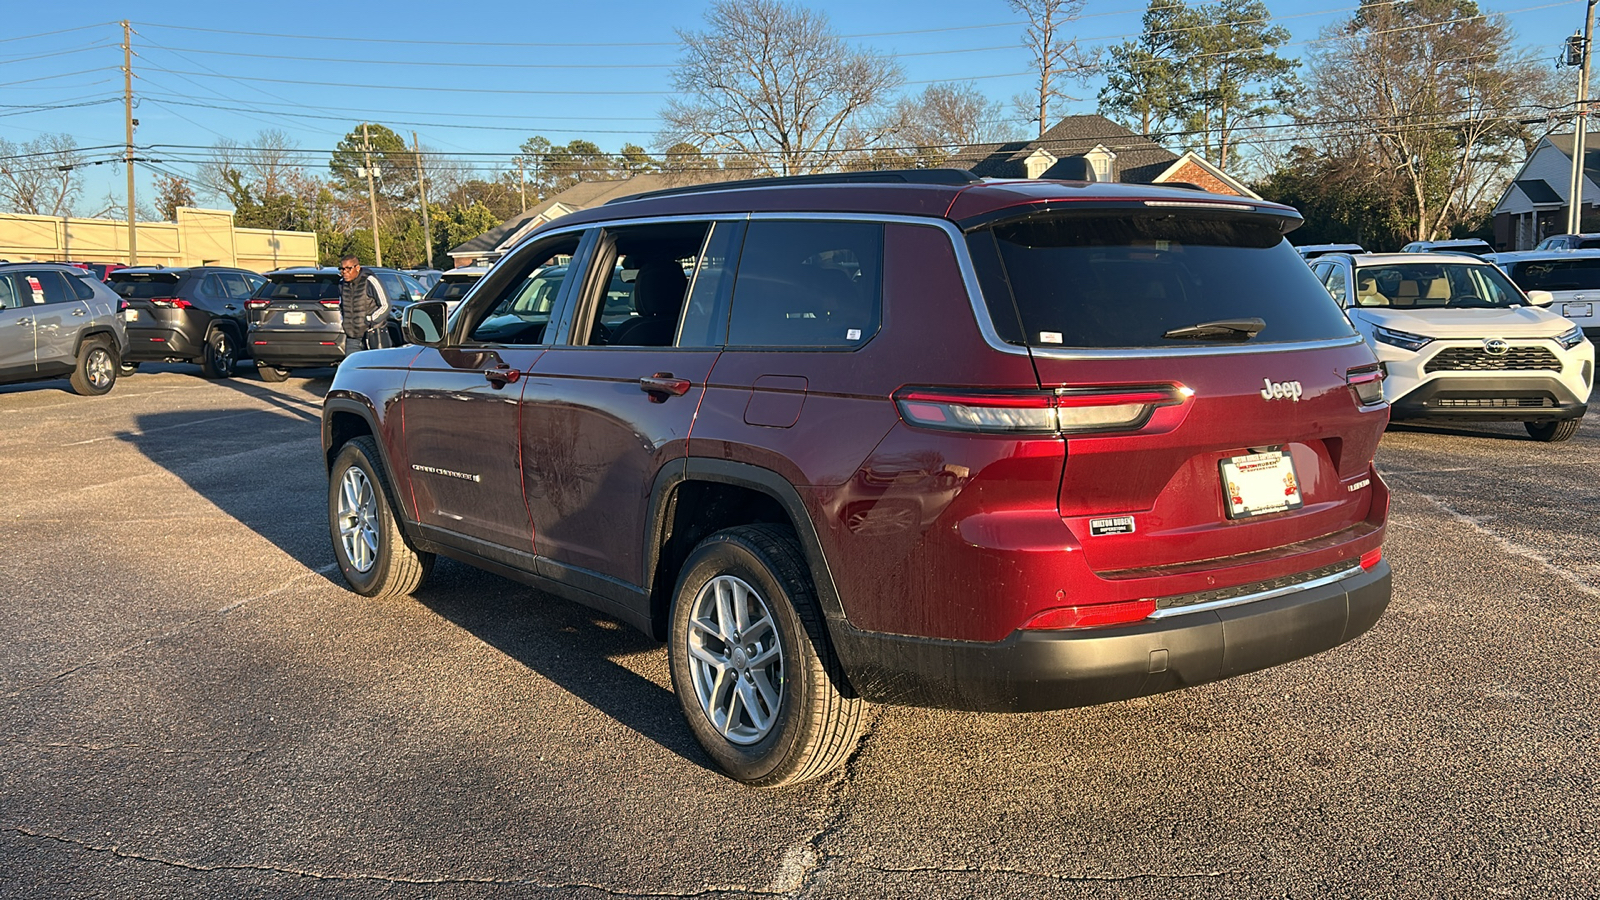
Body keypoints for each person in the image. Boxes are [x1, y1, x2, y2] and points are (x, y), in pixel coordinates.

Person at [337, 255, 391, 352]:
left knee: (374, 366)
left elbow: (386, 305)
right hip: (352, 337)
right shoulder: (342, 284)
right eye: (342, 269)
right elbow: (341, 306)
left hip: (372, 335)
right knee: (352, 366)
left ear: (357, 268)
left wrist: (370, 319)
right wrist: (344, 322)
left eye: (348, 269)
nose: (345, 272)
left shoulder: (370, 280)